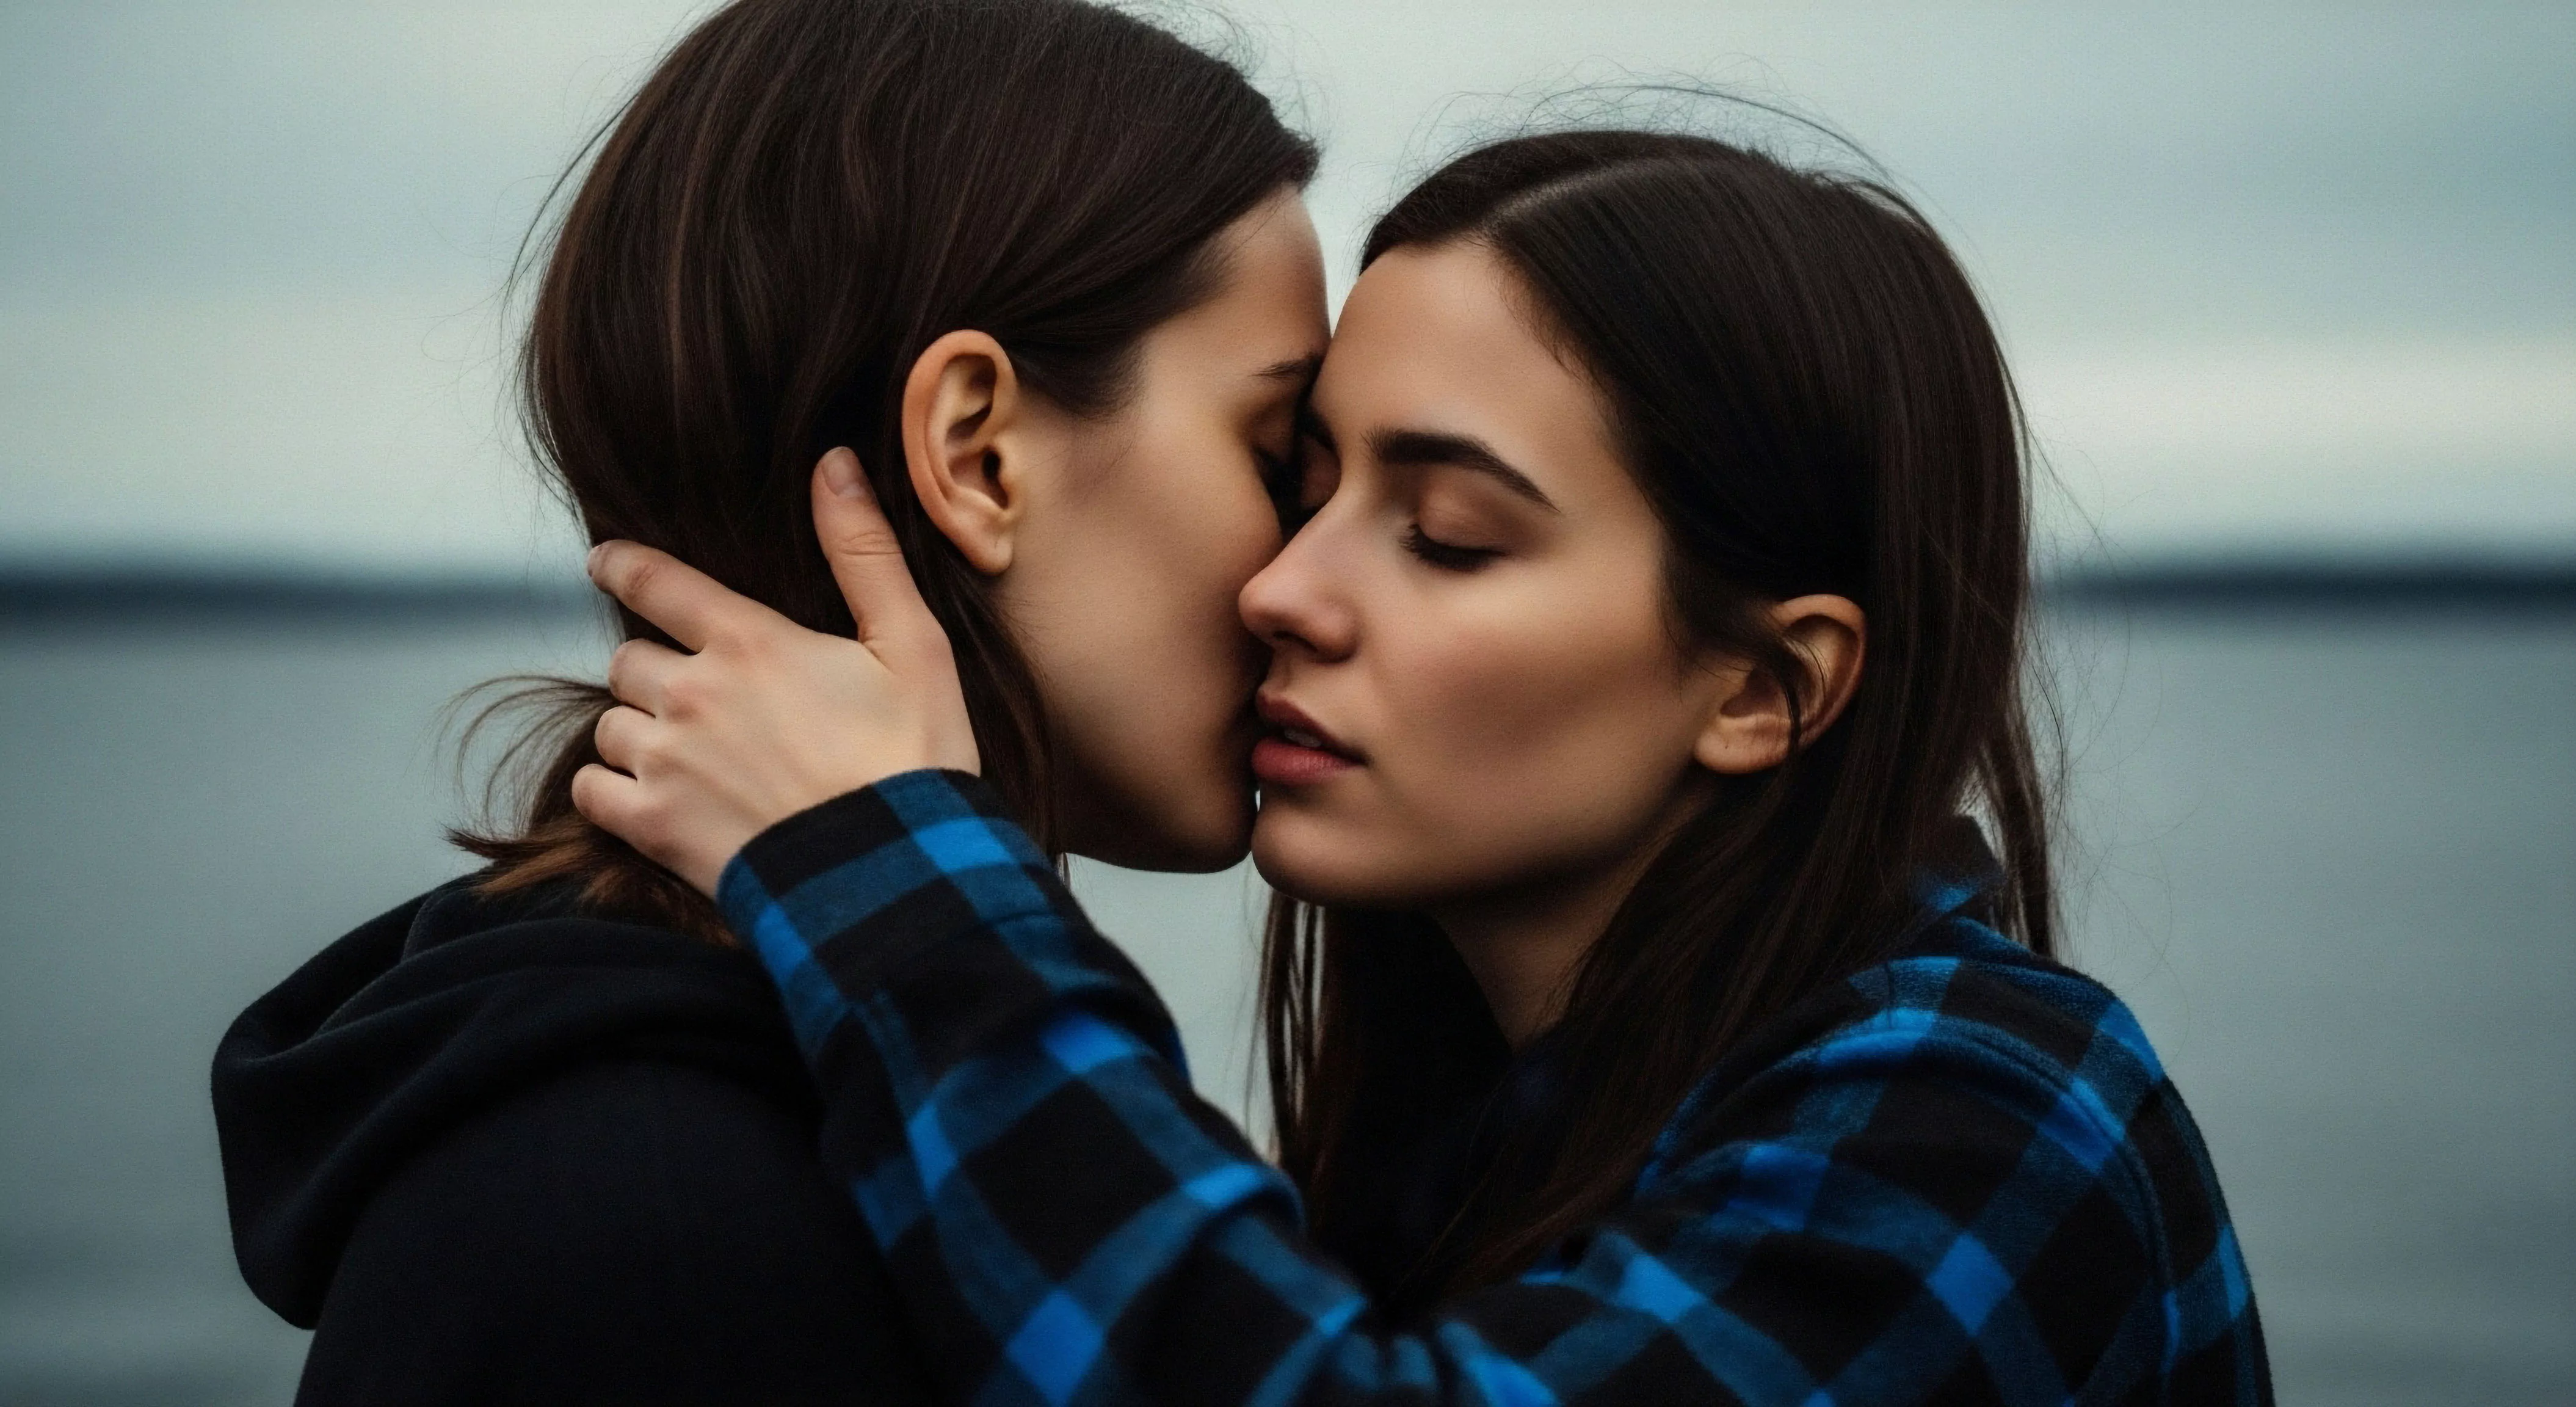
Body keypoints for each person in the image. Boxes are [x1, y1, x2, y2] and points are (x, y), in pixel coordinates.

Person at [575, 130, 2274, 1403]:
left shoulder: (1990, 1117)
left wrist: (892, 878)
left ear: (1765, 687)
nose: (1283, 587)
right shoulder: (1473, 1116)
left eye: (1449, 535)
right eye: (1300, 481)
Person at [209, 0, 1326, 1399]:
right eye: (1280, 455)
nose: (1313, 574)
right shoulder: (664, 1223)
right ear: (977, 455)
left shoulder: (770, 1133)